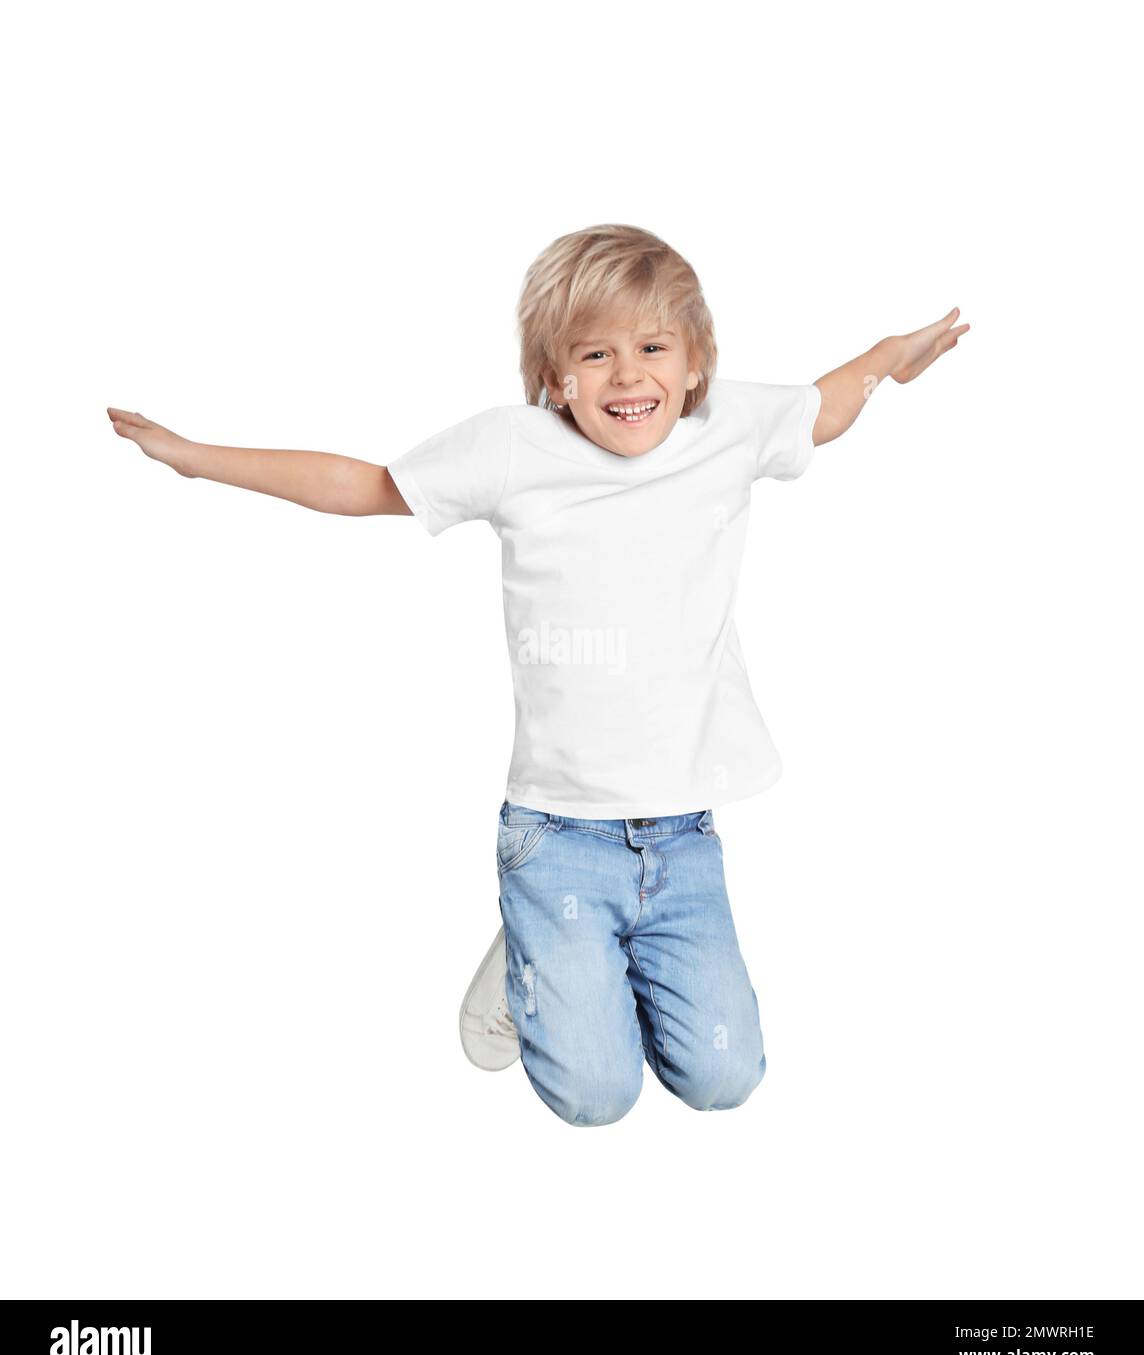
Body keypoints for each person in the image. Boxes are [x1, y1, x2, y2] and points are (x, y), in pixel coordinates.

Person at [108, 223, 969, 1127]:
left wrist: (893, 359)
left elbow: (827, 405)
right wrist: (196, 458)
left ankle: (581, 965)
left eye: (651, 349)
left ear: (694, 364)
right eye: (594, 355)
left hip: (681, 837)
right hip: (556, 833)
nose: (628, 376)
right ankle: (544, 948)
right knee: (594, 1099)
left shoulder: (730, 429)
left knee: (724, 1082)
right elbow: (361, 484)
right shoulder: (512, 449)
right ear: (557, 376)